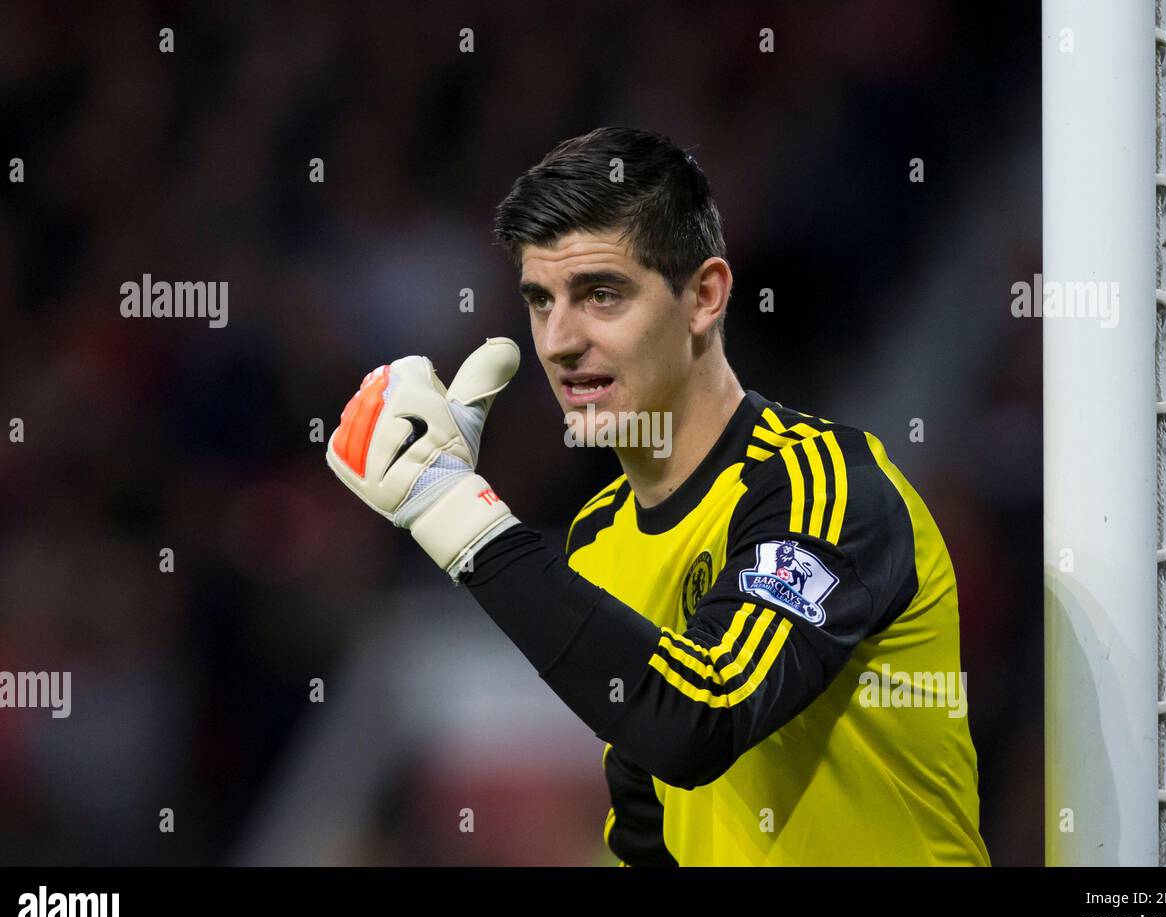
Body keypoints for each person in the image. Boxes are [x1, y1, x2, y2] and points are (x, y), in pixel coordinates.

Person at [325, 127, 990, 866]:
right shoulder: (599, 538)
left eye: (600, 295)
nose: (559, 341)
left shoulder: (822, 488)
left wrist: (454, 514)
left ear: (704, 296)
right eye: (540, 301)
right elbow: (648, 830)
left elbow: (701, 717)